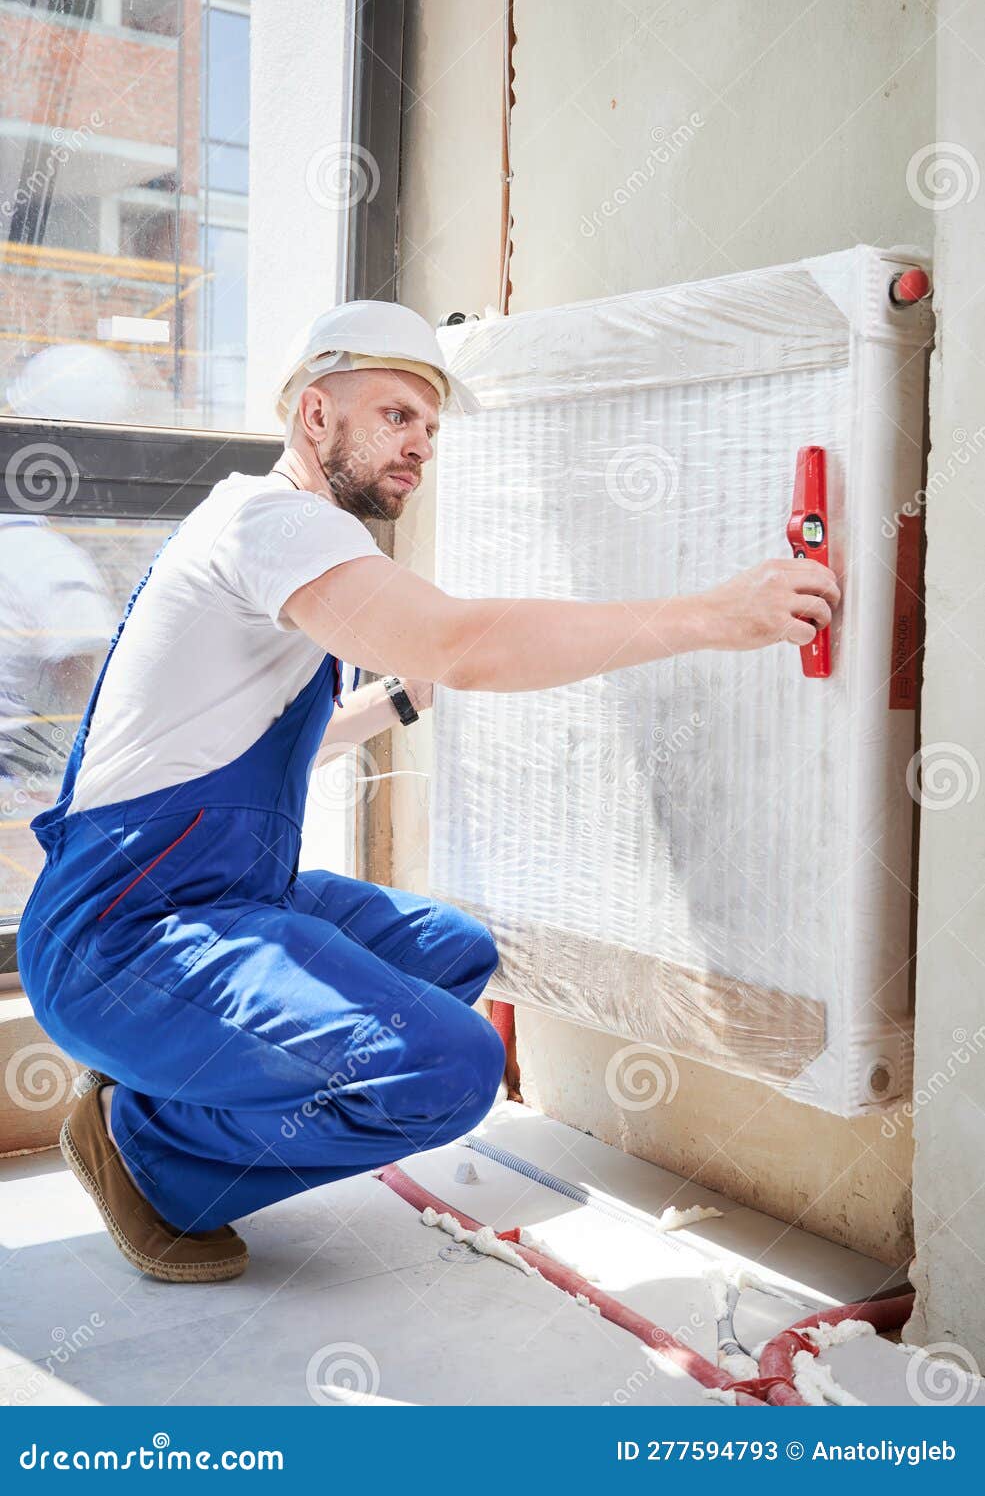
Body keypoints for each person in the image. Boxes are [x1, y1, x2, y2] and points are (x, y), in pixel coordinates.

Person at [16, 300, 839, 1283]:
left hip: (223, 899)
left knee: (452, 954)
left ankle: (164, 1085)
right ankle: (148, 1152)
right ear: (315, 415)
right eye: (397, 415)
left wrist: (402, 700)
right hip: (125, 932)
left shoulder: (273, 542)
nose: (420, 446)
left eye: (431, 427)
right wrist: (714, 614)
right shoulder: (269, 521)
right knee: (447, 1066)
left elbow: (267, 745)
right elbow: (459, 638)